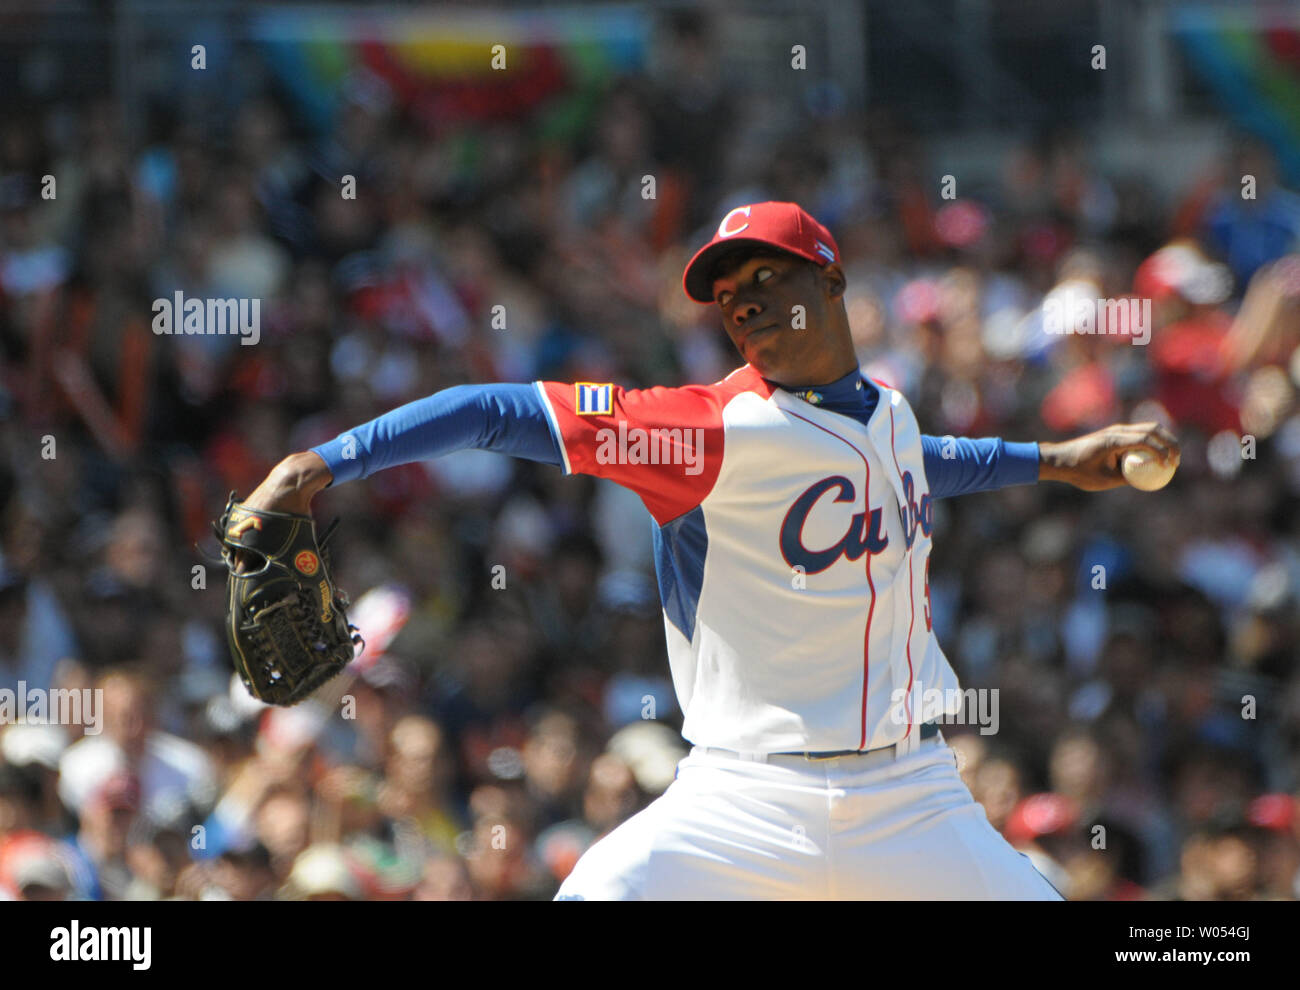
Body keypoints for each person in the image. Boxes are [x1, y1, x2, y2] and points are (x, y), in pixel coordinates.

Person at [233, 201, 1180, 899]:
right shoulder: (705, 431)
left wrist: (1057, 460)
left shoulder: (887, 410)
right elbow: (494, 410)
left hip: (912, 793)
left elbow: (926, 463)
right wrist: (322, 464)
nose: (746, 305)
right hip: (742, 799)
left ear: (833, 282)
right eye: (729, 295)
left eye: (769, 279)